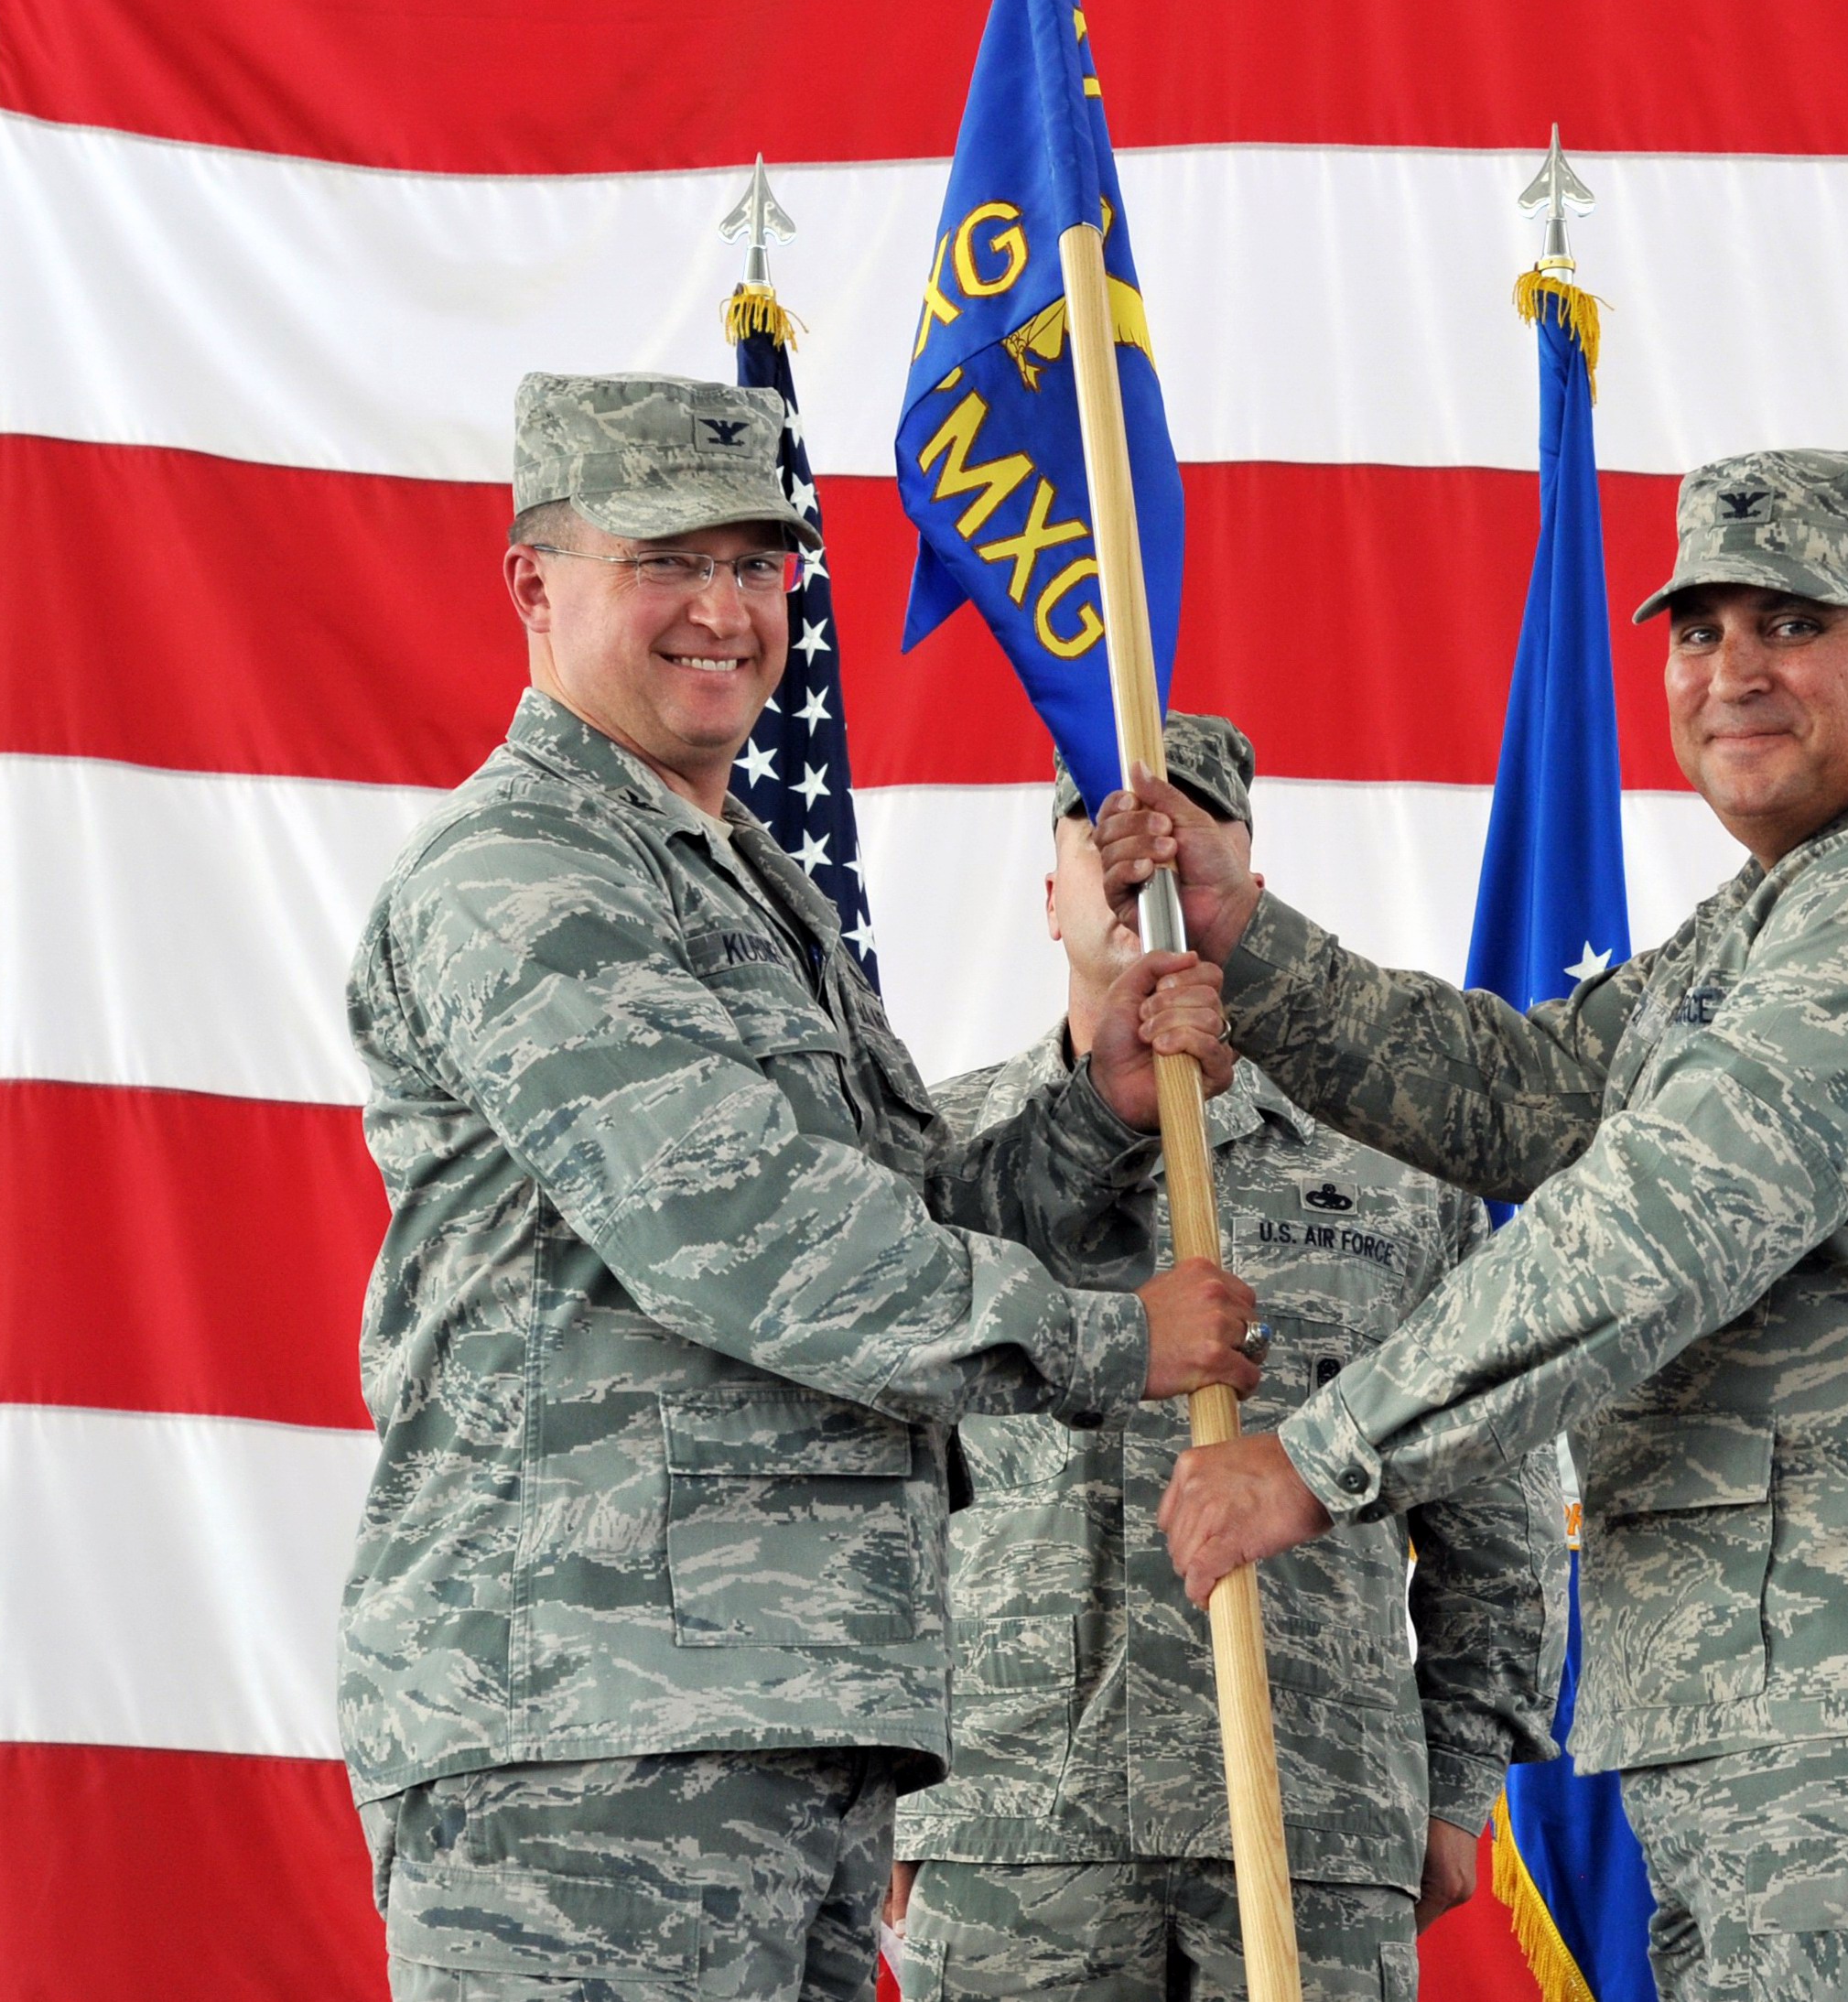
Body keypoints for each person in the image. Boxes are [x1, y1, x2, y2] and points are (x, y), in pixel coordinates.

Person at [1114, 452, 1848, 2002]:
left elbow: (1651, 1226)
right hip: (1795, 1711)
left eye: (1791, 622)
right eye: (1697, 628)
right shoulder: (1793, 903)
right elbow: (1539, 1093)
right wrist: (1247, 946)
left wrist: (1322, 1457)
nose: (1731, 672)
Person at [338, 372, 1265, 2002]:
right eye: (667, 561)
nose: (726, 609)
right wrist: (1122, 1343)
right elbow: (743, 1238)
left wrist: (1097, 1106)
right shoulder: (525, 874)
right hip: (594, 1729)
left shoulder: (741, 877)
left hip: (782, 1715)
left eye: (759, 564)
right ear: (533, 584)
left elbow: (900, 1214)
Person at [884, 718, 1567, 2002]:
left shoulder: (1395, 1170)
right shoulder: (938, 1156)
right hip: (1011, 1826)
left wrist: (1459, 1781)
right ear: (1049, 896)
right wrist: (887, 1793)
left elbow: (1494, 1486)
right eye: (1106, 836)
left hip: (1313, 1814)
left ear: (1244, 879)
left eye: (1184, 833)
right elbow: (875, 1475)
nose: (1142, 865)